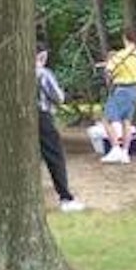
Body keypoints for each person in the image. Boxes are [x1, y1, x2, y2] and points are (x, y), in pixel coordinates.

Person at [36, 44, 85, 213]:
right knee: (55, 156)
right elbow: (59, 97)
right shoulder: (43, 74)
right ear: (41, 57)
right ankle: (65, 197)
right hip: (42, 117)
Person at [100, 28, 136, 164]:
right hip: (135, 89)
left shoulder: (121, 55)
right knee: (126, 121)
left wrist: (108, 74)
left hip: (122, 89)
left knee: (107, 119)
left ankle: (115, 148)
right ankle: (125, 152)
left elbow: (108, 71)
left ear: (125, 38)